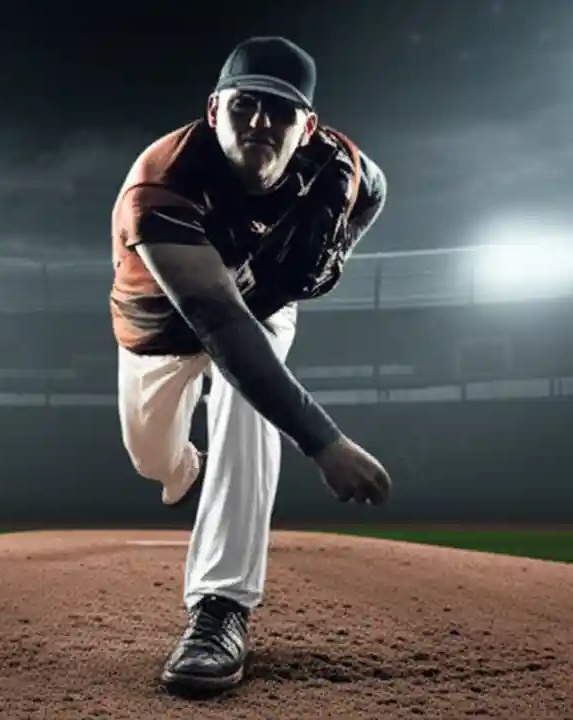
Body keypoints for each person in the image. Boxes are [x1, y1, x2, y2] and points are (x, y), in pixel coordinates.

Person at [109, 36, 392, 694]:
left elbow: (373, 192)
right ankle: (184, 467)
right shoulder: (161, 183)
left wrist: (339, 247)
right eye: (245, 106)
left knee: (249, 400)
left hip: (255, 306)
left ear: (309, 126)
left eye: (280, 109)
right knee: (151, 458)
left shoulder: (340, 166)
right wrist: (325, 441)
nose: (262, 120)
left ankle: (221, 608)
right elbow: (219, 326)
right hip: (160, 326)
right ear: (214, 113)